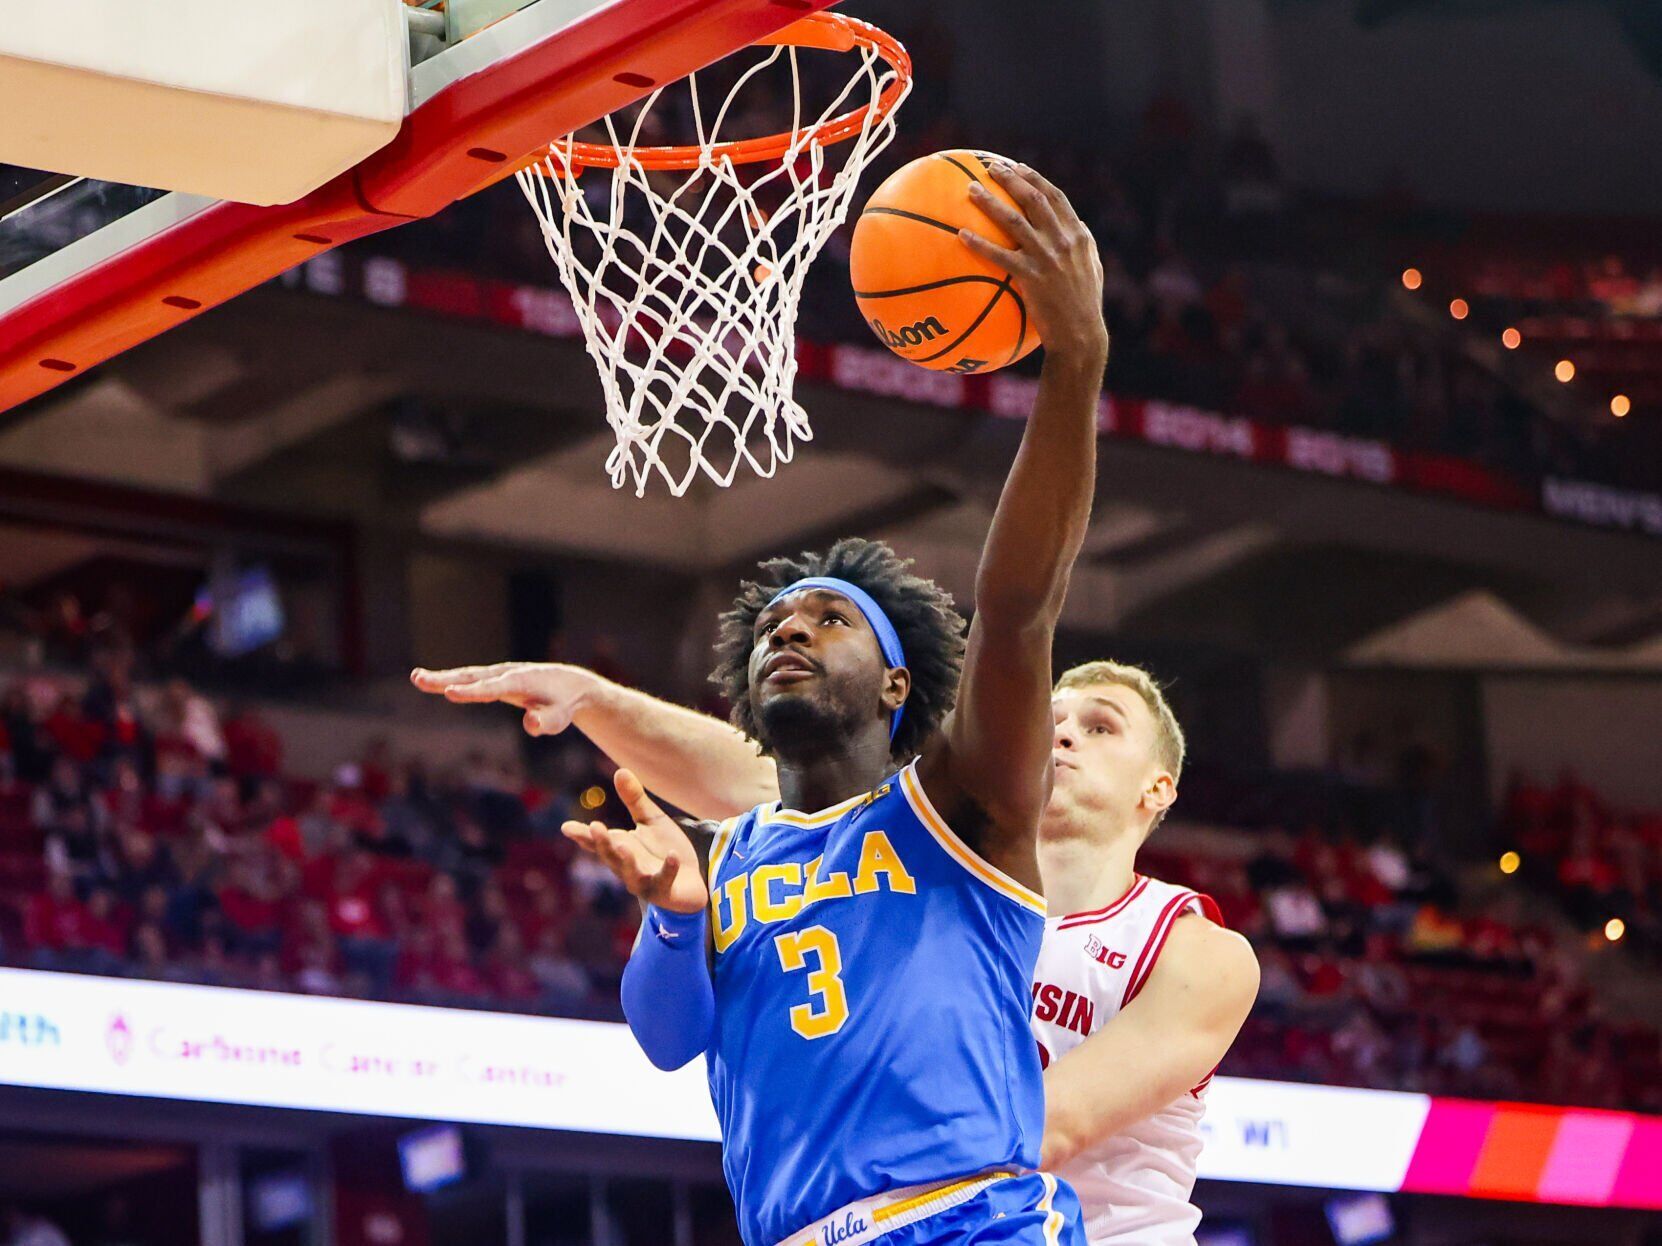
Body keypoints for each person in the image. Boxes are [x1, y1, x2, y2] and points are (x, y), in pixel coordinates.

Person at [421, 160, 1105, 1246]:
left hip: (970, 1221)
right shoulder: (732, 856)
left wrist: (1075, 360)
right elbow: (665, 1037)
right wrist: (671, 918)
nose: (790, 629)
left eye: (828, 618)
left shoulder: (960, 809)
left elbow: (1017, 608)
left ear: (895, 682)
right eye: (776, 624)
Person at [422, 656, 1255, 1245]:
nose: (1063, 735)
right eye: (1053, 720)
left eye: (1101, 727)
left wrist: (833, 1173)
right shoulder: (926, 862)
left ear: (1158, 788)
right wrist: (595, 700)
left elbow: (1041, 1125)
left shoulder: (1195, 949)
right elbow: (760, 783)